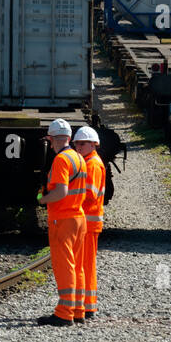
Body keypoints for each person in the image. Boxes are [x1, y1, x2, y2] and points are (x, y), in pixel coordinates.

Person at [35, 118, 88, 327]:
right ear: (69, 137)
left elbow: (61, 191)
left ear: (52, 139)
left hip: (63, 219)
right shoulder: (78, 157)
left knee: (64, 266)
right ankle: (78, 310)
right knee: (77, 266)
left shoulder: (61, 160)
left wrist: (42, 200)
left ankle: (64, 313)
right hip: (79, 218)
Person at [72, 126, 107, 321]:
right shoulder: (87, 162)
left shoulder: (92, 164)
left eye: (83, 143)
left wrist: (69, 199)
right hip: (87, 222)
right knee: (85, 265)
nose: (79, 146)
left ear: (94, 144)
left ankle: (87, 306)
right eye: (77, 143)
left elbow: (90, 194)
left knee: (85, 265)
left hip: (88, 223)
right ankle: (87, 305)